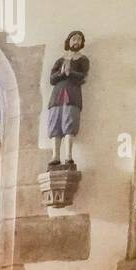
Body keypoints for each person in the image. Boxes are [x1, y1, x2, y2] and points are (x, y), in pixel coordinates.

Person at [47, 31, 89, 169]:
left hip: (72, 94)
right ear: (68, 41)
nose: (75, 41)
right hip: (58, 95)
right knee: (56, 124)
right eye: (73, 39)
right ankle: (55, 156)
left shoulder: (82, 59)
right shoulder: (60, 60)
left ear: (81, 43)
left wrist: (70, 72)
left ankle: (68, 156)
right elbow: (52, 79)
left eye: (78, 39)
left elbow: (82, 76)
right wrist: (61, 73)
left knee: (69, 123)